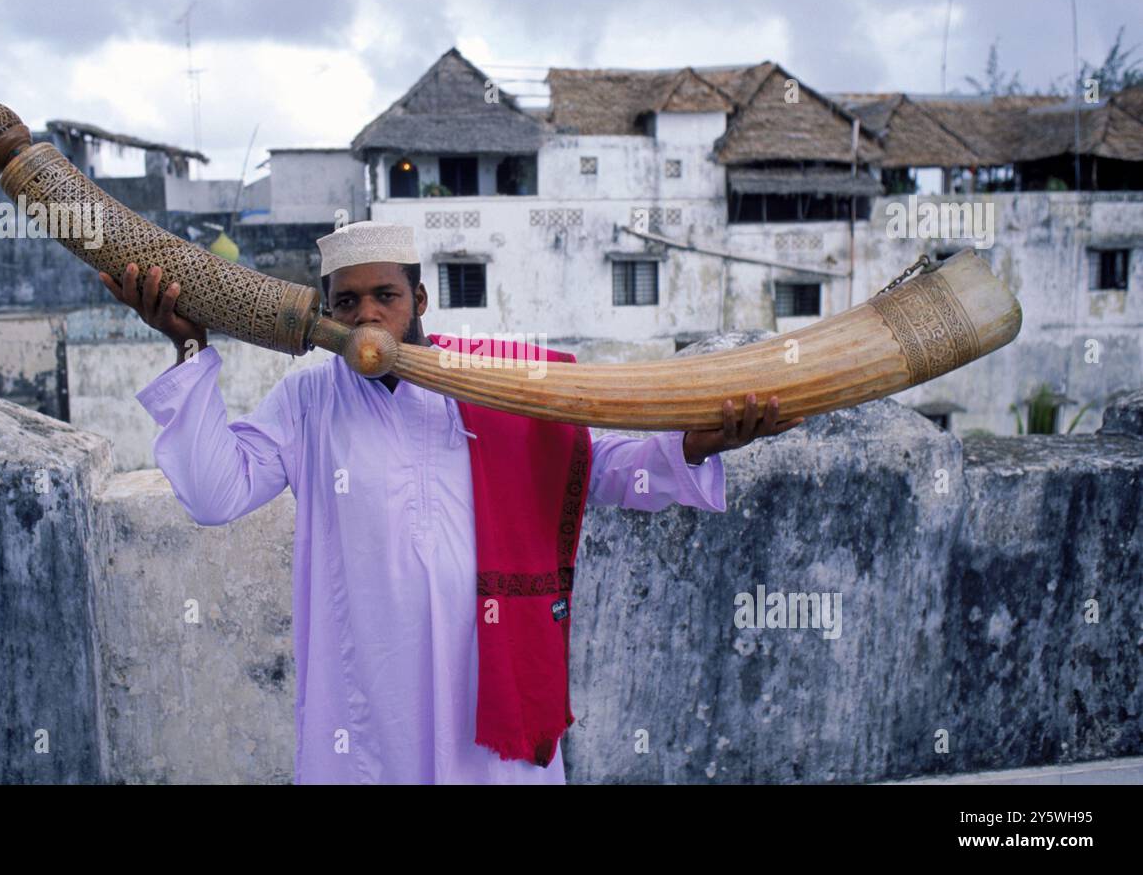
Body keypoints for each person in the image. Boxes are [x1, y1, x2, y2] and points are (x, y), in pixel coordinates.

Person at [100, 222, 803, 784]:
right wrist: (190, 349)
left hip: (491, 687)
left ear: (420, 302)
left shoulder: (501, 379)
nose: (367, 315)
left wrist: (698, 444)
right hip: (369, 695)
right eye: (346, 302)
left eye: (385, 296)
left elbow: (602, 465)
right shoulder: (308, 400)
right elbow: (215, 494)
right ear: (326, 312)